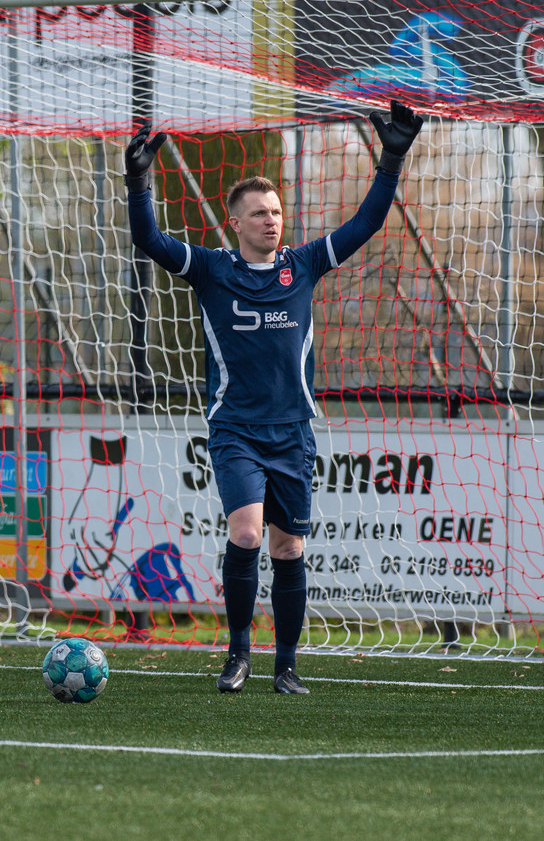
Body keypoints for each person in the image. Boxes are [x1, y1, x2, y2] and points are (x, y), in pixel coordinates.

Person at [123, 102, 423, 694]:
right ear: (235, 223)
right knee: (246, 535)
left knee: (289, 547)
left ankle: (286, 665)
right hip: (236, 428)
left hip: (294, 431)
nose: (271, 220)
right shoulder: (211, 269)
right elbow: (149, 239)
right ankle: (237, 655)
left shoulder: (304, 264)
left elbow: (365, 222)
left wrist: (390, 158)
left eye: (277, 211)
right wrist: (139, 182)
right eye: (258, 213)